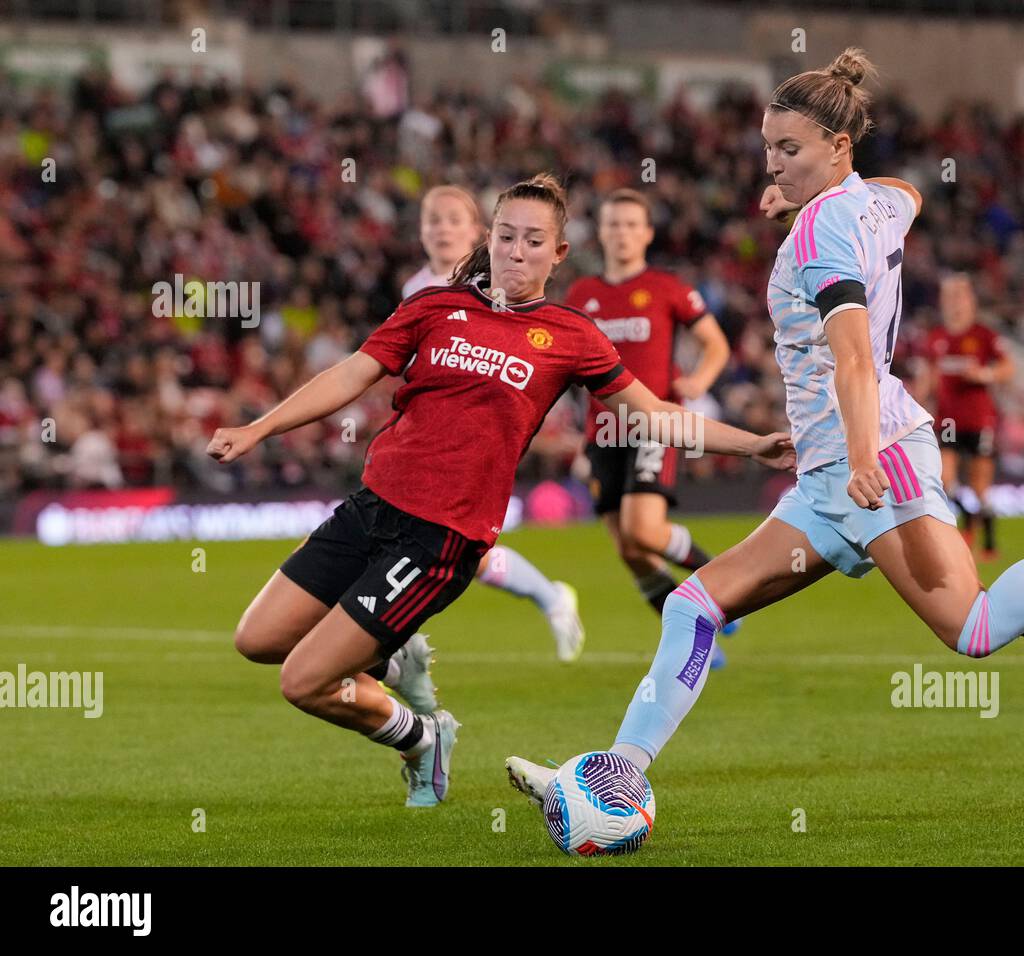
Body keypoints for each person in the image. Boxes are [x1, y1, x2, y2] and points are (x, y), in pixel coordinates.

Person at [505, 50, 1024, 809]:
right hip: (827, 478)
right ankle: (617, 777)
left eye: (790, 151)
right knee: (692, 605)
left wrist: (864, 455)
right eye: (768, 149)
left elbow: (856, 361)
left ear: (839, 148)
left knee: (974, 628)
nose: (773, 166)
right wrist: (795, 196)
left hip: (875, 459)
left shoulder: (819, 238)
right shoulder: (874, 201)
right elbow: (906, 194)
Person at [208, 174, 794, 809]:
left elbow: (655, 413)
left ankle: (422, 738)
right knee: (257, 641)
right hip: (371, 506)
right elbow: (354, 371)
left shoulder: (569, 335)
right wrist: (259, 428)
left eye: (534, 240)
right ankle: (395, 671)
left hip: (442, 537)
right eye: (506, 235)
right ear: (489, 238)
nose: (517, 250)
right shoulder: (434, 307)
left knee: (304, 681)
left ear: (559, 253)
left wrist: (752, 443)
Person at [403, 184, 586, 663]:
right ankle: (549, 597)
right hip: (426, 442)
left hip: (479, 445)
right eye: (432, 219)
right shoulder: (417, 290)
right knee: (459, 554)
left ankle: (396, 653)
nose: (441, 228)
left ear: (479, 234)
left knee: (448, 549)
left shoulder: (507, 291)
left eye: (452, 219)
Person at [565, 189, 739, 668]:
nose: (621, 232)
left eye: (630, 224)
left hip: (650, 423)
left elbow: (715, 344)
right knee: (629, 548)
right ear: (600, 232)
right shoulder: (582, 295)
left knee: (644, 531)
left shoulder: (667, 288)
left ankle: (722, 581)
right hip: (601, 433)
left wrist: (698, 381)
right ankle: (694, 642)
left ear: (647, 233)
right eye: (612, 224)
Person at [921, 273, 1014, 560]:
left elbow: (1008, 368)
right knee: (945, 480)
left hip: (979, 420)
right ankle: (968, 518)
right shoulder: (936, 337)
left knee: (979, 484)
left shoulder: (984, 335)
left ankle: (988, 542)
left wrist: (984, 374)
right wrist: (917, 399)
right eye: (949, 296)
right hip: (947, 421)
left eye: (959, 295)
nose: (954, 302)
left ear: (970, 299)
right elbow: (930, 376)